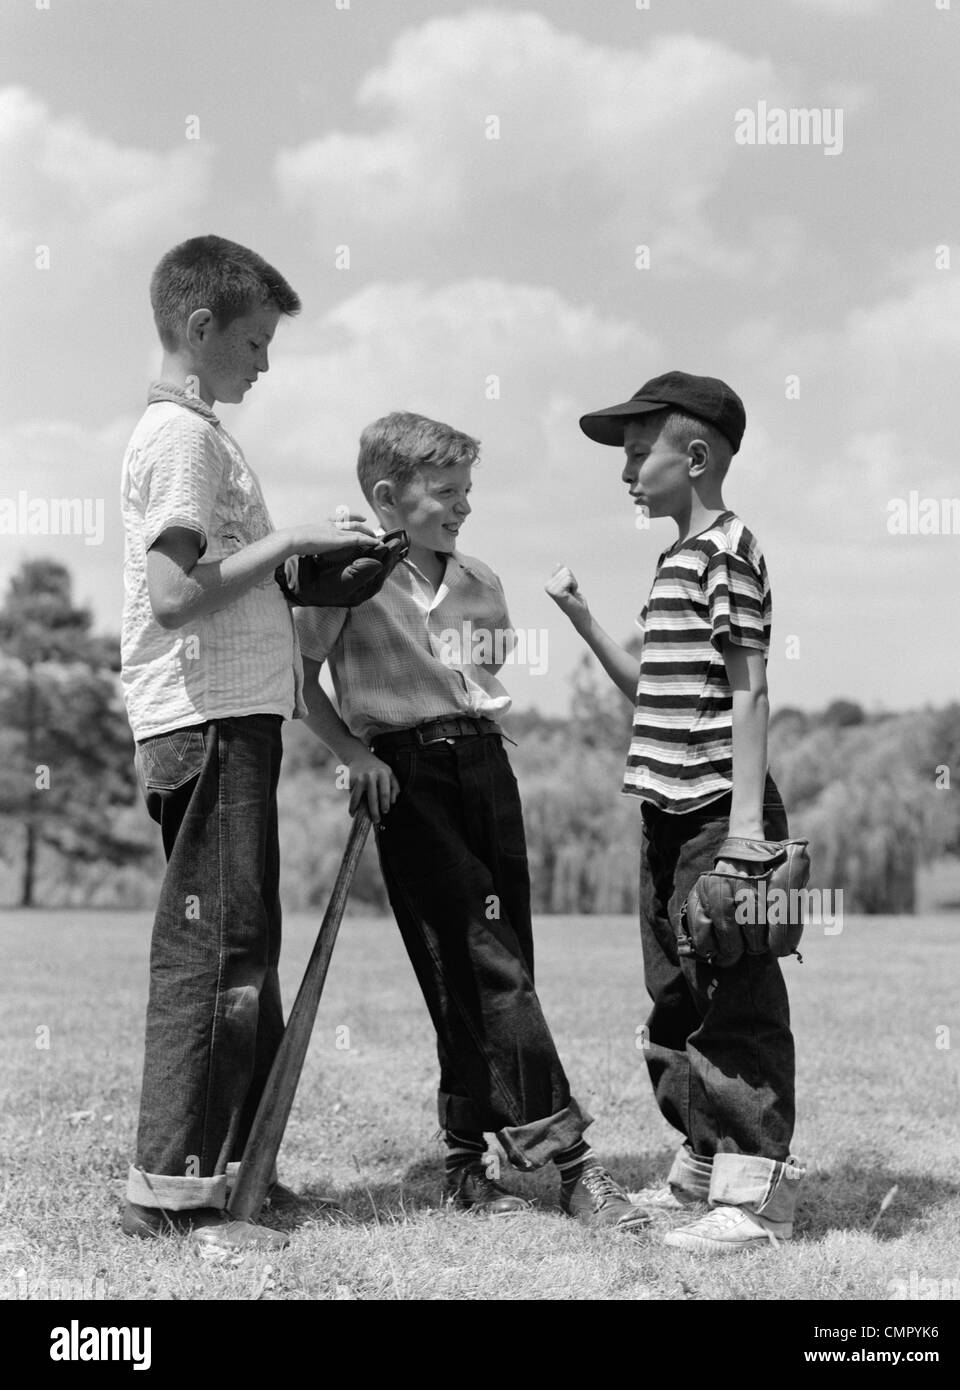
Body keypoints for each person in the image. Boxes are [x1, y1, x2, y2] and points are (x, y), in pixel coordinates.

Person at [295, 411, 650, 1229]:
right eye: (445, 492)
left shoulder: (482, 580)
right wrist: (355, 755)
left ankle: (462, 1163)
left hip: (487, 766)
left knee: (496, 958)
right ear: (388, 497)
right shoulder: (344, 576)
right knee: (486, 963)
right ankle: (570, 1165)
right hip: (406, 776)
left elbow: (480, 676)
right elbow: (298, 679)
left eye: (466, 492)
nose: (462, 507)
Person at [119, 234, 384, 1251]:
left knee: (244, 948)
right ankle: (176, 1196)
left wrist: (322, 568)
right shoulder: (183, 440)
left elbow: (230, 590)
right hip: (206, 721)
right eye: (256, 342)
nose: (265, 364)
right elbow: (178, 596)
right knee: (215, 953)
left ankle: (239, 1176)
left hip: (231, 717)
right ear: (200, 328)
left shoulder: (199, 437)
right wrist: (291, 541)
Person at [546, 372, 805, 1252]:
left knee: (737, 998)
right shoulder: (673, 561)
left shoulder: (727, 550)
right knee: (672, 997)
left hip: (716, 817)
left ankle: (756, 1195)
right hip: (664, 813)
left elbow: (751, 690)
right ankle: (702, 1167)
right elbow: (651, 692)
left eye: (634, 452)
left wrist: (743, 833)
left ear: (692, 457)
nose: (623, 471)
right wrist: (582, 621)